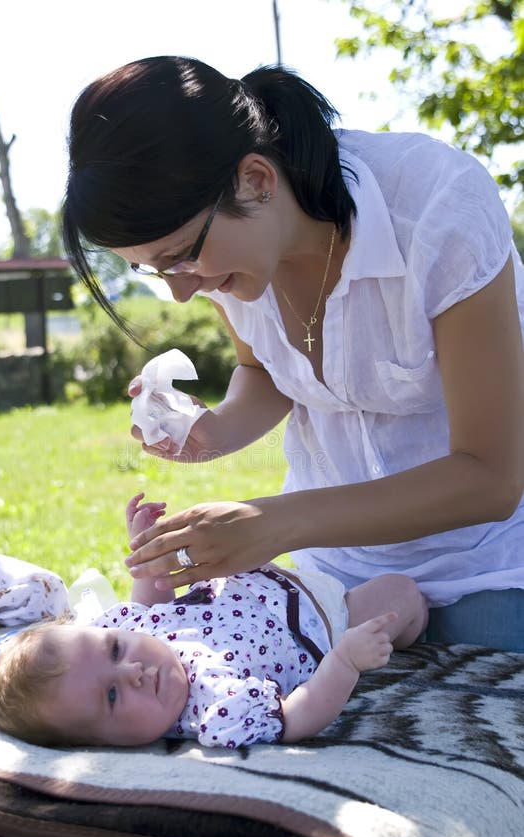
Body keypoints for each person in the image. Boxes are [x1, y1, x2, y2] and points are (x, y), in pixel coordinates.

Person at [62, 56, 524, 652]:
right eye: (153, 270)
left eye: (180, 256)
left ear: (256, 178)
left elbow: (491, 477)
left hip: (487, 565)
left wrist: (276, 522)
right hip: (330, 575)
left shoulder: (437, 207)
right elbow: (267, 371)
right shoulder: (234, 255)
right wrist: (211, 432)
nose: (181, 289)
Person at [0, 494, 428, 749]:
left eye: (115, 650)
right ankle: (416, 627)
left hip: (263, 578)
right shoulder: (216, 709)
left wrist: (150, 554)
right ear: (102, 745)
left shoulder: (134, 631)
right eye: (113, 695)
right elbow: (298, 717)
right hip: (328, 622)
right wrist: (346, 663)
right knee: (400, 594)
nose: (134, 672)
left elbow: (153, 603)